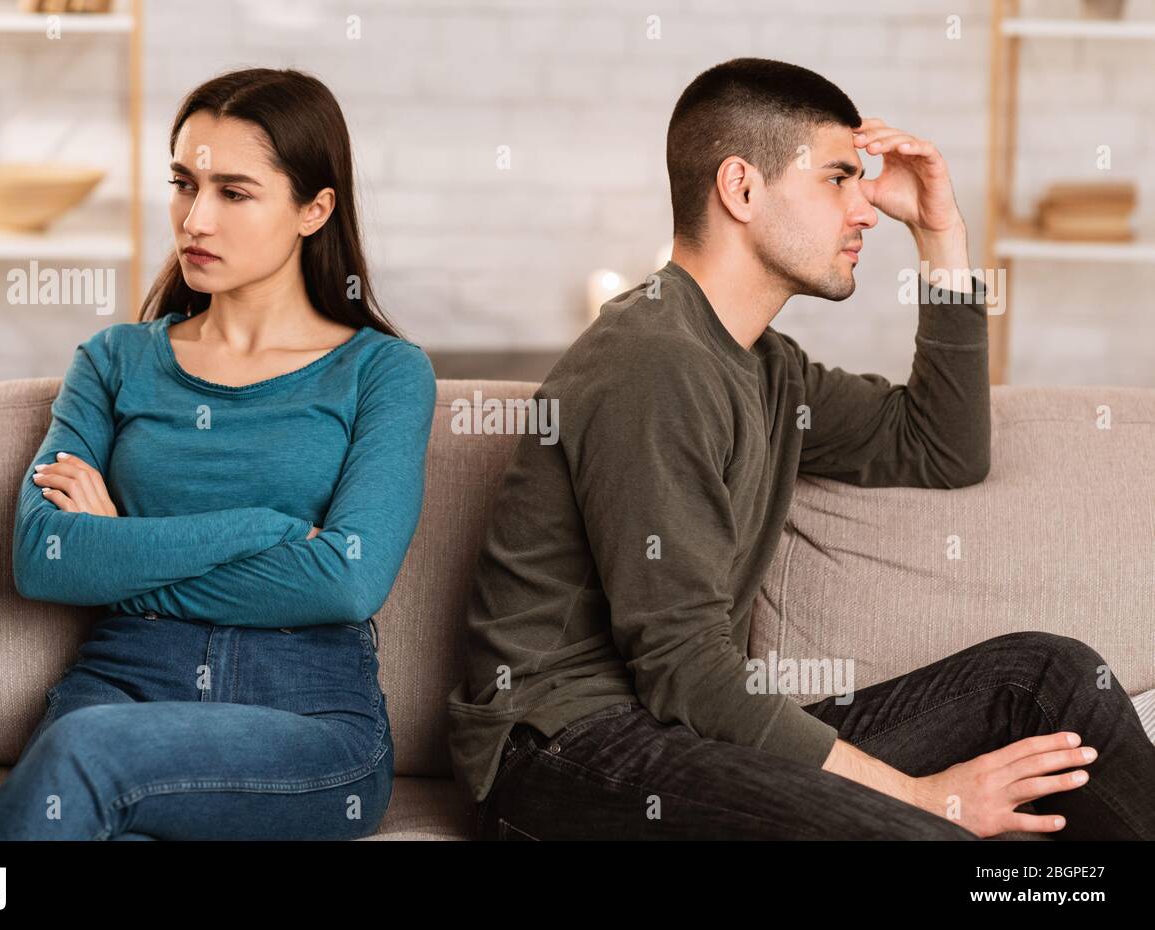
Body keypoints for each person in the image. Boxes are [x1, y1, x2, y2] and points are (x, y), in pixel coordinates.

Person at [447, 57, 1155, 841]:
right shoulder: (650, 358)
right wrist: (926, 799)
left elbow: (942, 447)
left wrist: (942, 237)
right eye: (838, 179)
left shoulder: (768, 367)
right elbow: (684, 668)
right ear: (742, 189)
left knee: (1047, 678)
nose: (867, 211)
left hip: (683, 734)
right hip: (566, 752)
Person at [0, 68, 436, 840]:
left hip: (306, 720)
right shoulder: (114, 360)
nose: (195, 219)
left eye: (235, 193)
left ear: (314, 210)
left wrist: (123, 562)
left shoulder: (384, 371)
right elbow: (44, 555)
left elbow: (347, 580)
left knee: (86, 754)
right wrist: (263, 529)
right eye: (184, 183)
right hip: (119, 688)